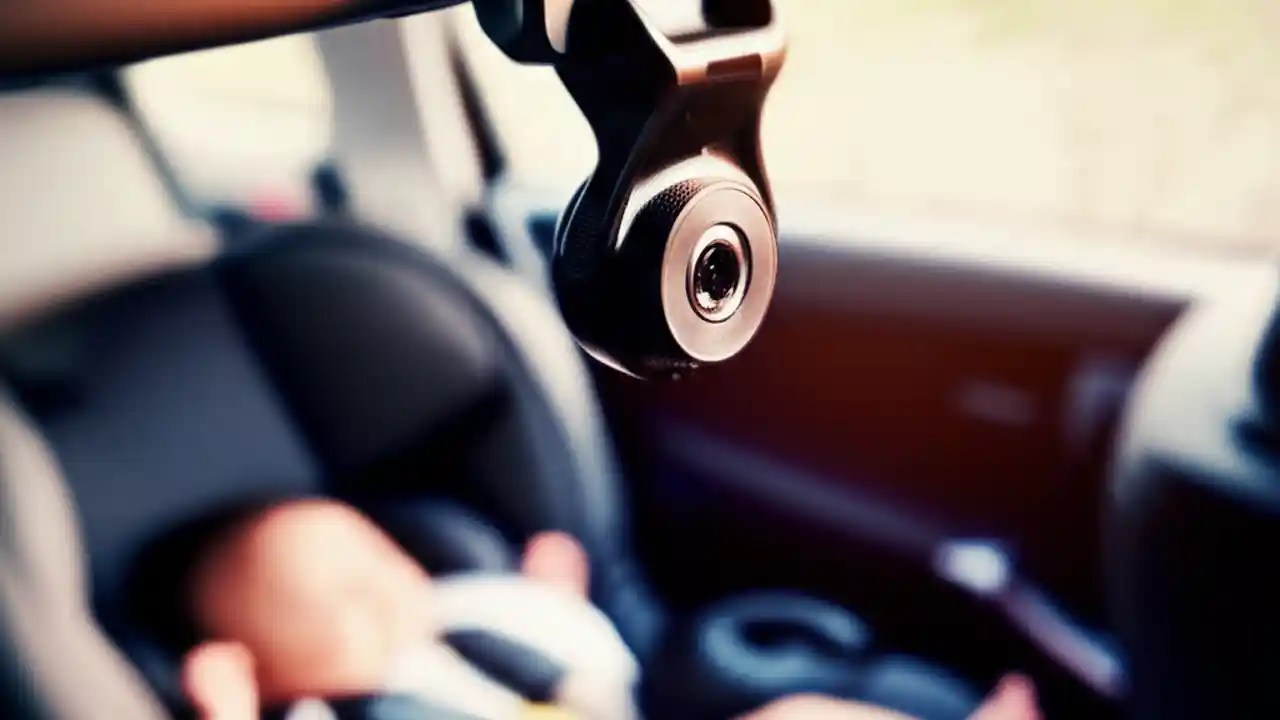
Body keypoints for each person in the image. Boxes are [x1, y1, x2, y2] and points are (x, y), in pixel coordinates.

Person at [141, 498, 1038, 720]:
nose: (381, 590)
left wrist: (553, 603)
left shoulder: (461, 618)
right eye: (334, 603)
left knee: (798, 716)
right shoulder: (321, 713)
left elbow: (564, 671)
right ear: (264, 667)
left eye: (377, 558)